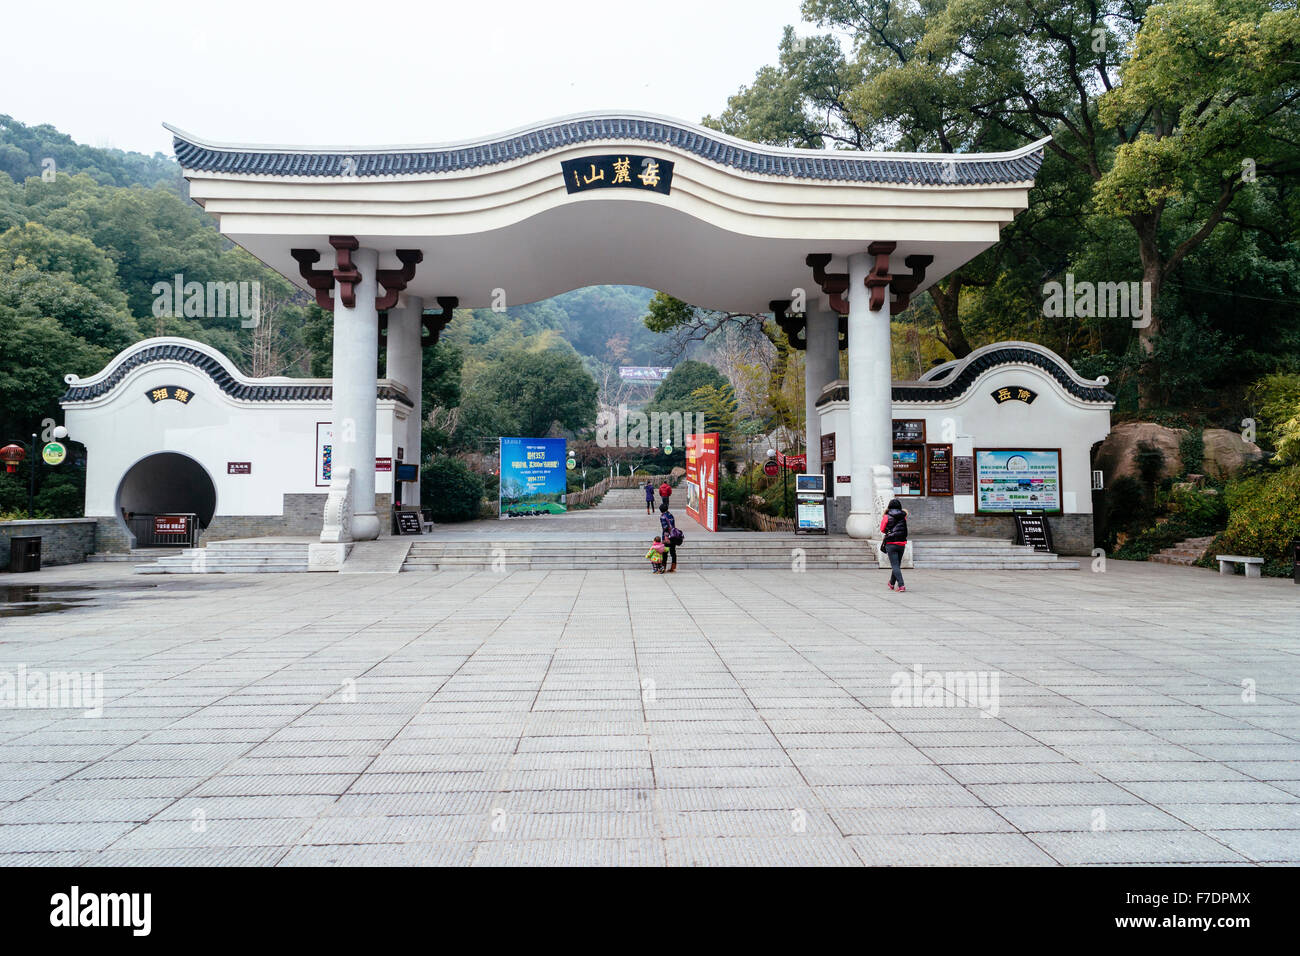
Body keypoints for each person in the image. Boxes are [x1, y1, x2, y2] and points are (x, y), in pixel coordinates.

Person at [880, 498, 909, 592]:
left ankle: (901, 585)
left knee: (895, 565)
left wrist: (888, 531)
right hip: (901, 543)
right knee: (896, 564)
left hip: (891, 543)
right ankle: (891, 583)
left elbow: (882, 529)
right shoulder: (903, 516)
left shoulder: (886, 516)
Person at [659, 503, 680, 572]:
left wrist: (666, 537)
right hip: (673, 535)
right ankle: (673, 567)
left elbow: (665, 527)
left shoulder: (663, 516)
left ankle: (663, 567)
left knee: (665, 552)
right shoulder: (670, 515)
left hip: (667, 537)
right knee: (673, 552)